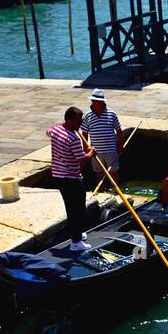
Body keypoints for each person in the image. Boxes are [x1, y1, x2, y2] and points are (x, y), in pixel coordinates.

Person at [47, 106, 94, 253]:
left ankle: (77, 233)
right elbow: (82, 161)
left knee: (71, 207)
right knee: (77, 209)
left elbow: (47, 132)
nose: (80, 124)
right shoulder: (73, 138)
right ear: (69, 120)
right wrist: (92, 152)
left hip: (58, 176)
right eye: (78, 121)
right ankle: (76, 242)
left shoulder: (54, 130)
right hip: (71, 178)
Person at [80, 88, 122, 183]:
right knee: (99, 173)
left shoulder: (112, 114)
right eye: (93, 101)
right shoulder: (88, 115)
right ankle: (101, 191)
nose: (93, 103)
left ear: (101, 102)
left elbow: (119, 131)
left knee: (113, 172)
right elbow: (84, 133)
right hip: (96, 152)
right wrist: (86, 149)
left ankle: (116, 191)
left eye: (96, 101)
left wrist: (121, 147)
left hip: (111, 150)